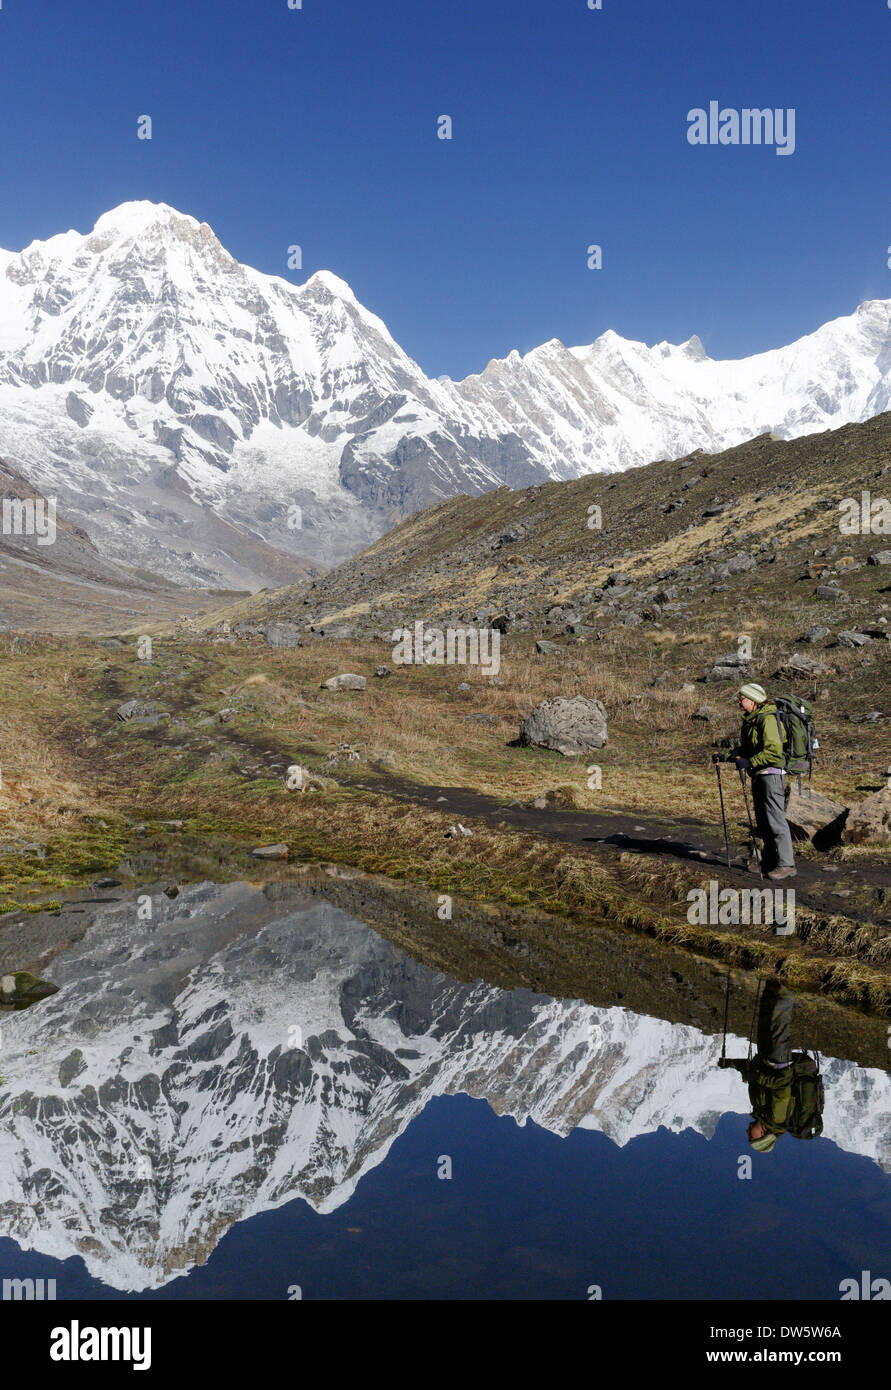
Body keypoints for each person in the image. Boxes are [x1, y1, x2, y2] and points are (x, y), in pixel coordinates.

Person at [718, 978, 821, 1151]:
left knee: (766, 1021)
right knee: (778, 1024)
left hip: (766, 1059)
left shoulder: (761, 1112)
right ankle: (788, 982)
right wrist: (757, 1076)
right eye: (752, 1136)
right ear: (763, 1135)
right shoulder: (777, 1118)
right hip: (779, 1062)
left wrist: (732, 1064)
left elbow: (753, 1076)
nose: (748, 1130)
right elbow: (781, 1084)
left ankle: (773, 983)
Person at [718, 682, 796, 881]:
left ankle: (787, 864)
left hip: (772, 773)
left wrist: (750, 762)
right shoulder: (751, 720)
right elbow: (746, 750)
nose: (739, 702)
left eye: (742, 698)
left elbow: (773, 751)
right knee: (763, 820)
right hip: (759, 774)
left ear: (753, 700)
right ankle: (770, 862)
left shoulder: (768, 719)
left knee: (775, 819)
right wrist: (726, 757)